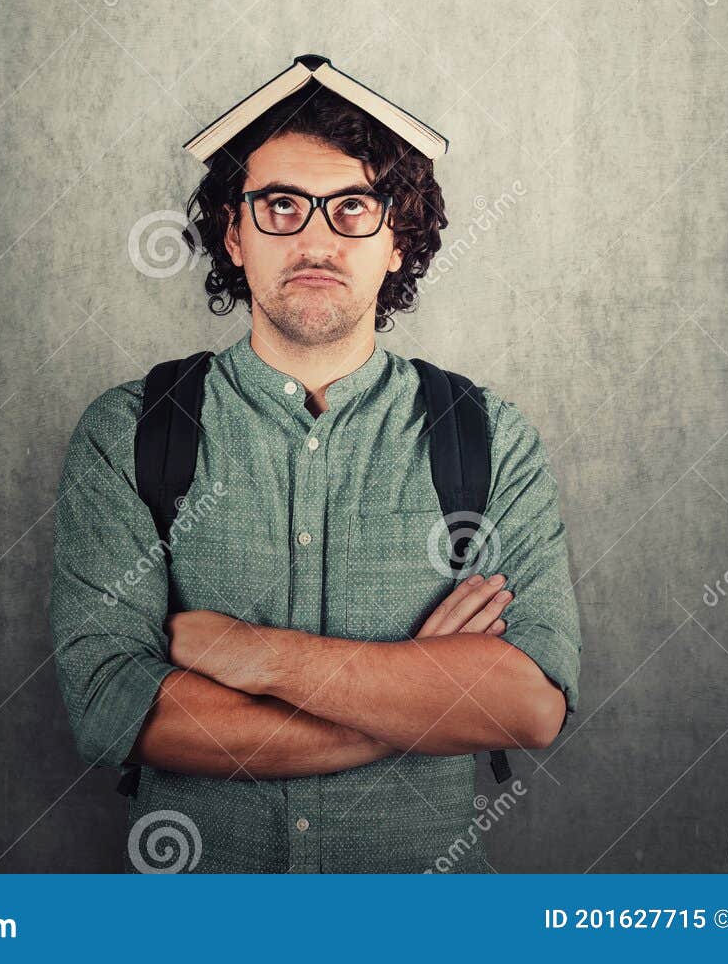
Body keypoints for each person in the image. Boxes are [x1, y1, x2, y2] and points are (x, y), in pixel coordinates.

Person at [50, 80, 581, 873]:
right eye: (282, 206)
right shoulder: (131, 431)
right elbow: (110, 709)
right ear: (234, 233)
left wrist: (253, 655)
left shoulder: (486, 437)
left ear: (397, 238)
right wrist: (417, 698)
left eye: (354, 208)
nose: (317, 240)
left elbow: (531, 704)